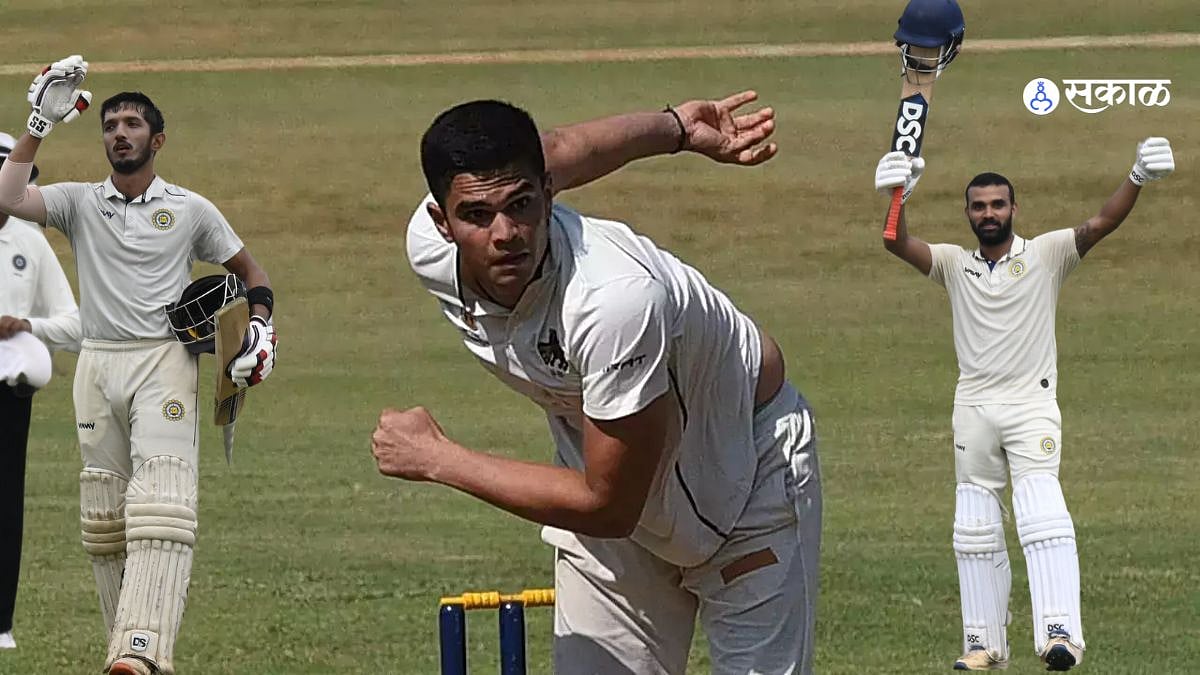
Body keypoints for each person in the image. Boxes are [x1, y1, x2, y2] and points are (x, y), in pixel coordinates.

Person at [372, 92, 822, 675]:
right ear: (442, 222)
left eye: (522, 204)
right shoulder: (430, 252)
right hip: (610, 485)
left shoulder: (613, 301)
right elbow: (561, 148)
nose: (506, 233)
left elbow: (608, 504)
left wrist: (438, 458)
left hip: (744, 477)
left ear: (548, 193)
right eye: (477, 216)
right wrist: (676, 127)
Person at [0, 55, 279, 675]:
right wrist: (38, 123)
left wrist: (260, 329)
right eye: (109, 124)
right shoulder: (77, 203)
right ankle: (134, 654)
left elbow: (253, 276)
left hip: (164, 361)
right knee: (105, 518)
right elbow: (7, 195)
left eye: (131, 123)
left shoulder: (188, 209)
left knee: (161, 506)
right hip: (98, 365)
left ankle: (139, 653)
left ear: (157, 139)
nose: (118, 133)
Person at [874, 137, 1175, 671]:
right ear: (968, 213)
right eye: (979, 206)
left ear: (1014, 208)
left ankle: (1060, 635)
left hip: (1030, 407)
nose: (988, 214)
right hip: (973, 407)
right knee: (974, 526)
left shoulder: (1046, 253)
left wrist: (1136, 175)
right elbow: (895, 242)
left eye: (997, 204)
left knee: (1041, 513)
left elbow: (1100, 224)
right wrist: (899, 193)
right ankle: (982, 644)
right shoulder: (952, 264)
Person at [0, 130, 82, 651]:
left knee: (7, 501)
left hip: (9, 394)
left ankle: (0, 622)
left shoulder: (30, 242)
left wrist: (27, 325)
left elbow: (75, 323)